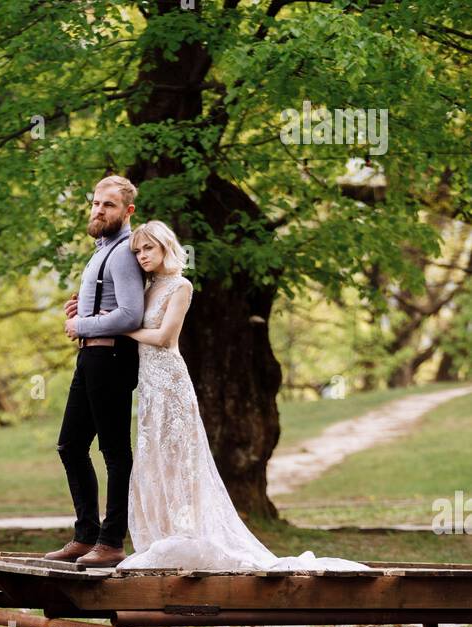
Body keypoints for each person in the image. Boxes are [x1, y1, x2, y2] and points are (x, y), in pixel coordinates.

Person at [115, 219, 371, 573]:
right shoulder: (143, 289)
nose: (142, 255)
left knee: (181, 459)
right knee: (153, 457)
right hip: (148, 387)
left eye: (149, 248)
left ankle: (189, 537)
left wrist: (123, 328)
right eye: (138, 250)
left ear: (165, 248)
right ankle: (165, 537)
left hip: (171, 382)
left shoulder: (180, 286)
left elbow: (164, 337)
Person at [45, 176, 145, 569]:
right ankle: (84, 535)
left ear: (127, 211)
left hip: (111, 361)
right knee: (70, 445)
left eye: (109, 205)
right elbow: (109, 303)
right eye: (96, 203)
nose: (99, 210)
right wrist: (80, 311)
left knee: (115, 452)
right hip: (90, 360)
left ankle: (111, 541)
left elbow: (130, 314)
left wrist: (82, 326)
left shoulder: (123, 252)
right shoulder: (102, 249)